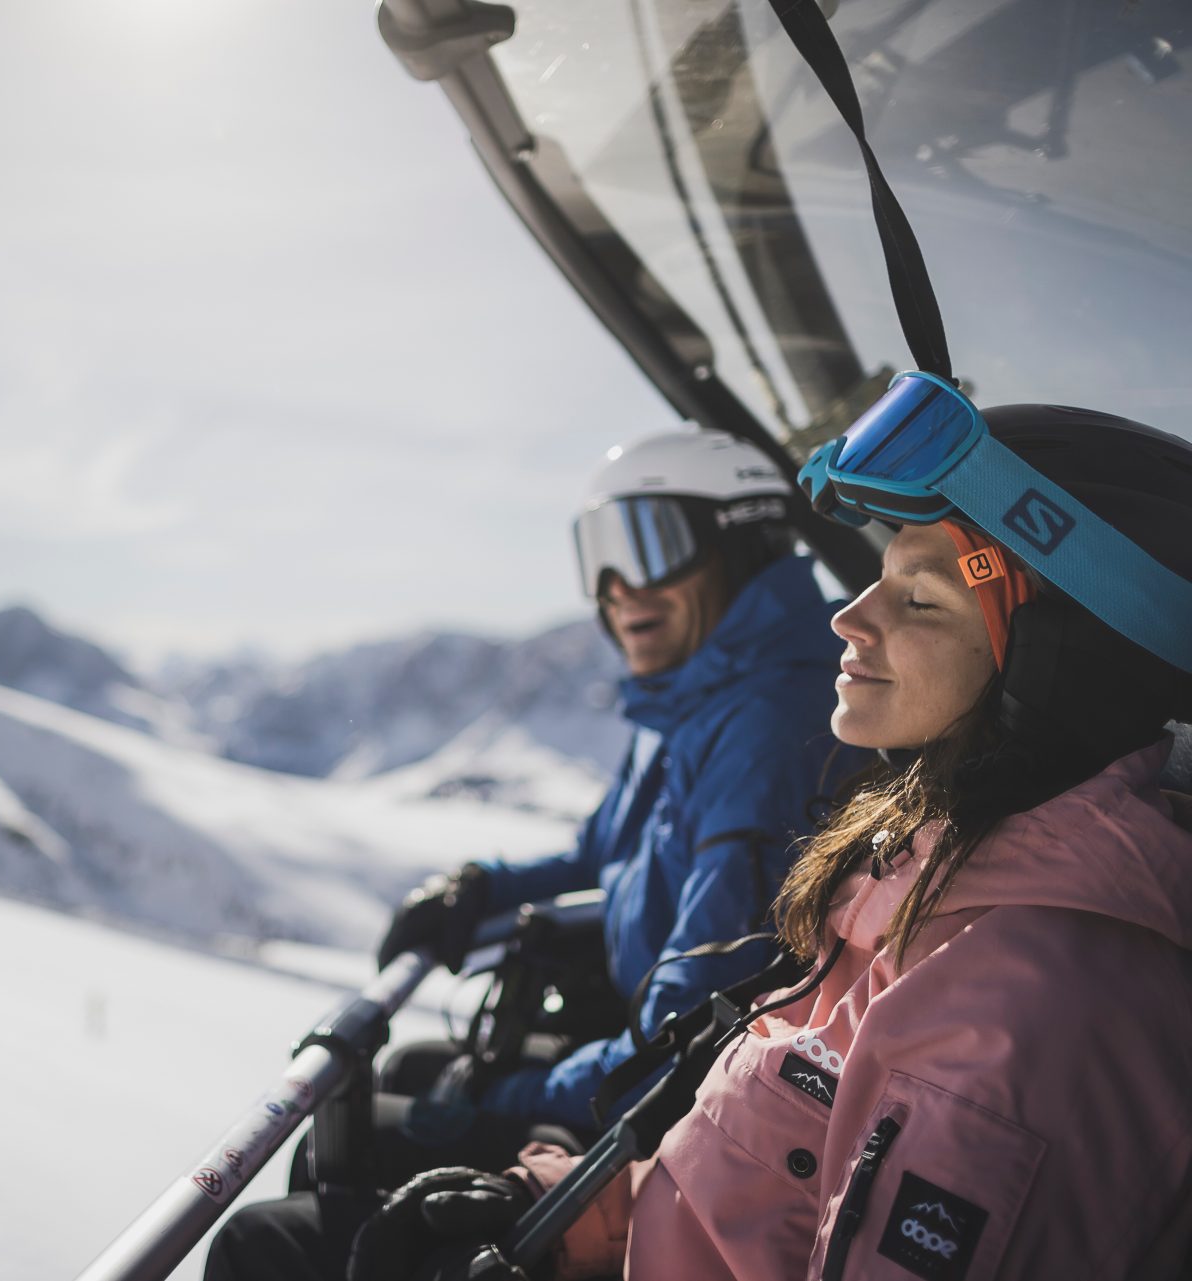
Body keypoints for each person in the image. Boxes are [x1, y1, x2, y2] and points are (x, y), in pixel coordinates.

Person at [347, 386, 1192, 1281]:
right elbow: (765, 1155)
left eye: (921, 600)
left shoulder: (1015, 1014)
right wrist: (570, 1215)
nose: (849, 614)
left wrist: (501, 1112)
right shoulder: (916, 864)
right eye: (877, 576)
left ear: (1050, 661)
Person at [203, 425, 855, 1281]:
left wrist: (502, 1097)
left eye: (648, 544)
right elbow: (603, 850)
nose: (618, 588)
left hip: (672, 1114)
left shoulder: (768, 725)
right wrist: (485, 890)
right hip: (639, 1069)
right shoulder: (699, 699)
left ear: (743, 539)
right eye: (599, 558)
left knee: (282, 1226)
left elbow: (685, 1026)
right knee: (404, 1078)